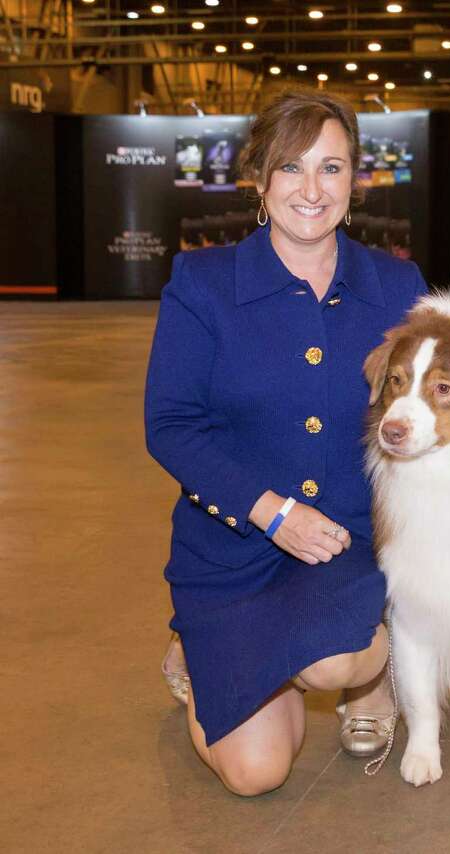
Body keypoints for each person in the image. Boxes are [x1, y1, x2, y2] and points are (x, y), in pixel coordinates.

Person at [146, 89, 427, 796]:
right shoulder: (203, 284)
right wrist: (273, 513)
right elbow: (171, 425)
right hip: (232, 550)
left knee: (338, 660)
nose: (312, 189)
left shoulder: (399, 287)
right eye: (291, 167)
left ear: (355, 179)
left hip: (347, 544)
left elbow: (430, 414)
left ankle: (366, 674)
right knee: (254, 775)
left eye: (331, 168)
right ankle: (200, 644)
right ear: (260, 179)